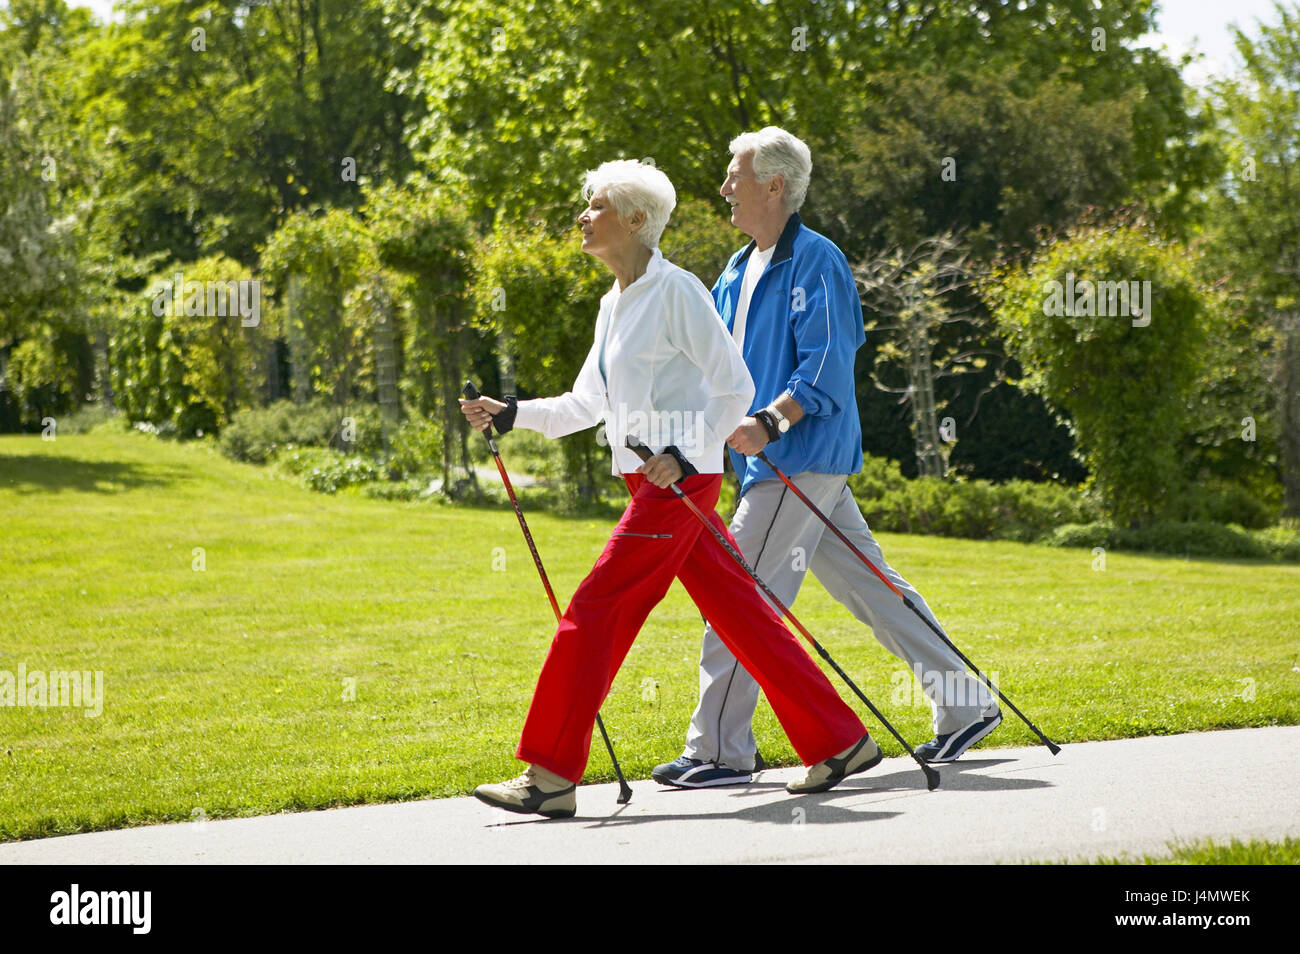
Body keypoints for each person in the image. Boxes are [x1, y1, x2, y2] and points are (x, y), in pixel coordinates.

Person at [459, 159, 880, 819]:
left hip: (675, 488)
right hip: (653, 483)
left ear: (634, 219)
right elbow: (585, 404)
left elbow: (734, 386)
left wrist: (685, 457)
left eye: (595, 206)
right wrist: (511, 413)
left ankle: (551, 774)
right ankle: (839, 739)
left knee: (594, 611)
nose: (583, 217)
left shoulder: (677, 291)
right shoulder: (613, 303)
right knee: (743, 616)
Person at [652, 128, 1001, 790]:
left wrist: (767, 422)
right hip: (781, 466)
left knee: (740, 595)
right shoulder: (734, 269)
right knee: (870, 586)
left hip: (798, 458)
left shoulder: (817, 261)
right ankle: (966, 702)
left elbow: (826, 366)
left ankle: (722, 751)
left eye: (736, 176)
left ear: (774, 186)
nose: (725, 187)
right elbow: (718, 369)